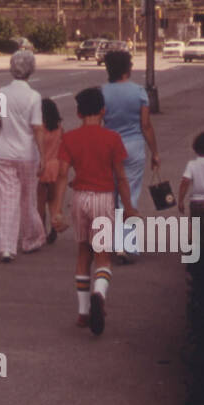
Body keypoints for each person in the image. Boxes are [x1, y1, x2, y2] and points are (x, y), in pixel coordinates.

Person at [51, 86, 137, 335]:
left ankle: (83, 311)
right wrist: (129, 207)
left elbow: (62, 175)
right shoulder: (112, 139)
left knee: (82, 253)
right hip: (103, 198)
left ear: (78, 113)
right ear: (103, 111)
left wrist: (57, 211)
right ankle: (99, 293)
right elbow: (121, 177)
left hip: (79, 198)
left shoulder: (69, 139)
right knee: (103, 256)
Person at [0, 49, 46, 262]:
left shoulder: (2, 92)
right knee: (27, 199)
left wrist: (6, 120)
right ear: (31, 70)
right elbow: (37, 127)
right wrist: (44, 155)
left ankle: (6, 247)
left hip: (4, 152)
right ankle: (31, 239)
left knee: (7, 199)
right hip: (27, 154)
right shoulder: (33, 96)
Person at [101, 50, 160, 262]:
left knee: (113, 196)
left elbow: (99, 123)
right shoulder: (139, 92)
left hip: (110, 148)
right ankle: (128, 246)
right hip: (134, 147)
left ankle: (115, 244)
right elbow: (146, 125)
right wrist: (155, 151)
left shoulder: (103, 92)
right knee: (130, 195)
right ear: (127, 68)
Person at [38, 98, 68, 243]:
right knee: (53, 200)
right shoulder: (59, 128)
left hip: (42, 167)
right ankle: (54, 226)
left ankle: (41, 230)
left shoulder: (39, 129)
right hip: (56, 166)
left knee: (40, 203)